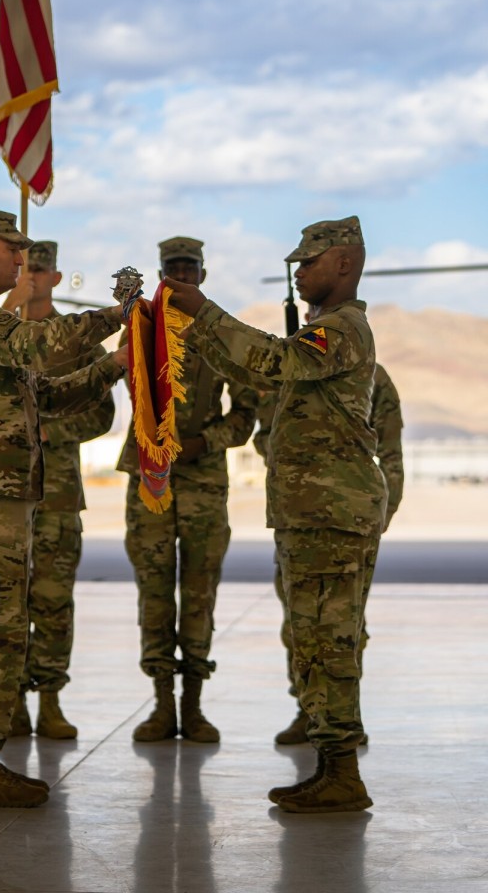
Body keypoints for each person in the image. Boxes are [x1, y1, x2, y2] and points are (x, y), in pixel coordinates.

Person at [164, 216, 387, 814]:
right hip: (313, 513)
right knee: (313, 640)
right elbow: (255, 368)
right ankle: (331, 765)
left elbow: (272, 359)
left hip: (332, 513)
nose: (299, 273)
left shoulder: (342, 330)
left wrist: (206, 312)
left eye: (308, 263)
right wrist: (196, 326)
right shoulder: (322, 335)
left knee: (330, 642)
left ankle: (342, 771)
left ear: (343, 263)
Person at [0, 208, 129, 809]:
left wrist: (117, 366)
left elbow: (46, 394)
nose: (22, 260)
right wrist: (114, 317)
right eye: (12, 248)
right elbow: (39, 347)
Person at [118, 236, 258, 744]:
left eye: (189, 268)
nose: (181, 275)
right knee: (154, 593)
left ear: (202, 273)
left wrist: (204, 442)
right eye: (172, 268)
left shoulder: (220, 335)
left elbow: (246, 415)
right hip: (149, 479)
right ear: (161, 273)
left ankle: (193, 708)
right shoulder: (144, 328)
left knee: (199, 592)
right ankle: (161, 707)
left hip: (201, 482)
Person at [3, 240, 116, 740]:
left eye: (41, 269)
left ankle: (49, 698)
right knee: (8, 601)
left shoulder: (76, 340)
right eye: (24, 267)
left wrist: (50, 430)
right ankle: (11, 702)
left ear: (54, 278)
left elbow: (103, 413)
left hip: (58, 490)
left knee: (51, 599)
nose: (32, 276)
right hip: (7, 489)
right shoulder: (1, 333)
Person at [268, 359, 404, 744]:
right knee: (298, 622)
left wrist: (380, 516)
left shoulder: (373, 376)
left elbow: (391, 454)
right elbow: (270, 434)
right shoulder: (290, 369)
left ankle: (344, 719)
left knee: (344, 626)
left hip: (346, 518)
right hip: (296, 517)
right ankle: (308, 710)